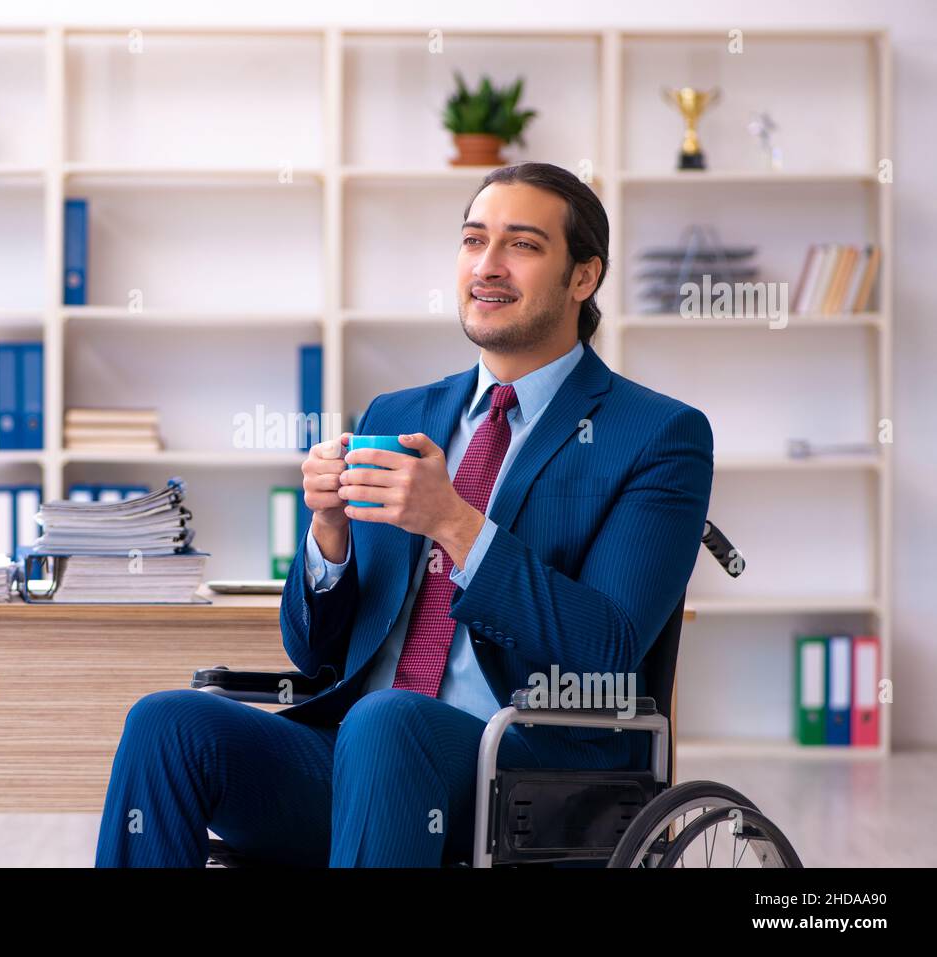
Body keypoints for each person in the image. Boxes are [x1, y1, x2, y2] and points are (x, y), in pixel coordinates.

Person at [95, 161, 713, 868]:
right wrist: (328, 535)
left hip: (525, 769)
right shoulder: (398, 414)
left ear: (583, 277)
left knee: (388, 722)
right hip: (352, 754)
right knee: (165, 723)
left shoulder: (656, 434)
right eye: (474, 240)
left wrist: (455, 523)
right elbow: (315, 654)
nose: (488, 265)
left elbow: (607, 648)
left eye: (522, 245)